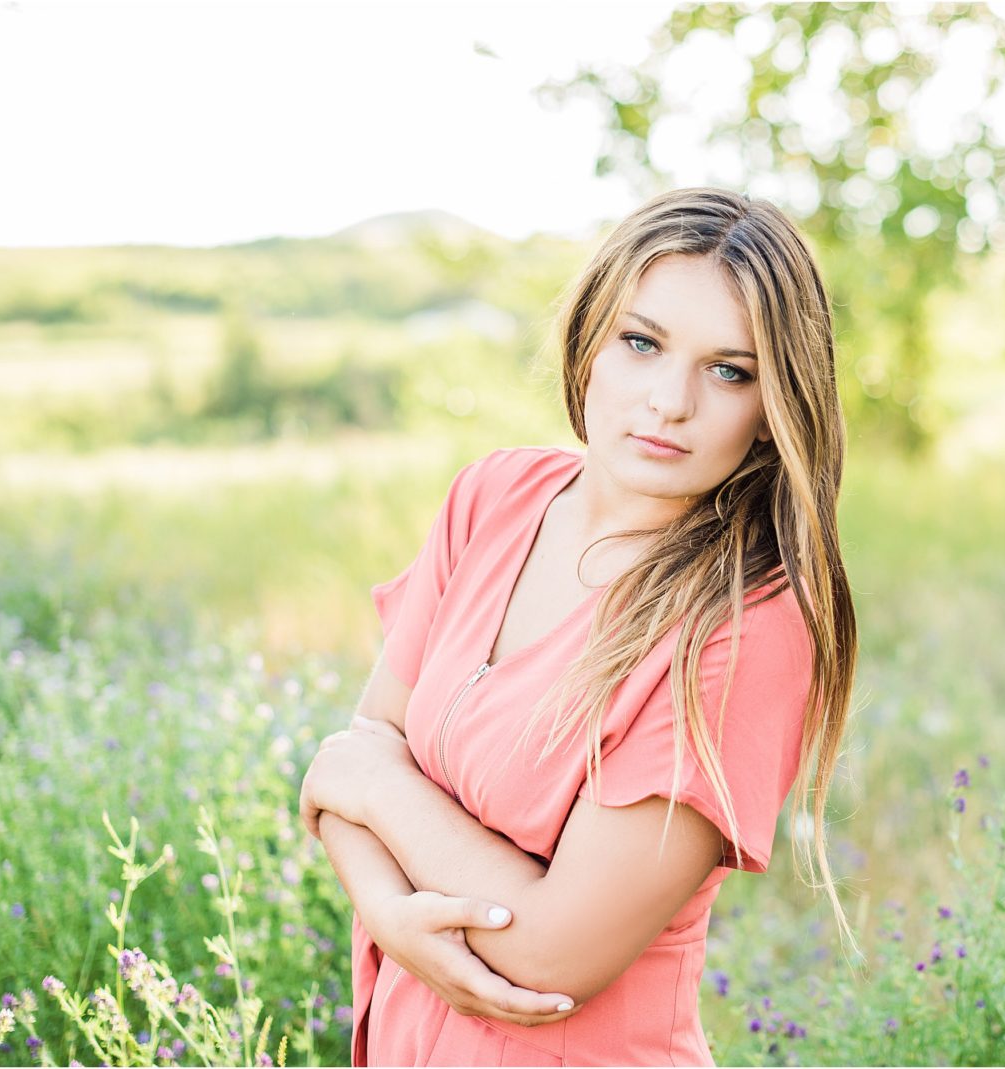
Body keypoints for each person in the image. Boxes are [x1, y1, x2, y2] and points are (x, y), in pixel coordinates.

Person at [299, 187, 860, 1066]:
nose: (669, 401)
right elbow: (362, 747)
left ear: (772, 409)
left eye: (730, 370)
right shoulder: (495, 496)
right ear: (590, 340)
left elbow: (553, 952)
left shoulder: (747, 626)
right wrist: (390, 919)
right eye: (642, 343)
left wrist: (372, 784)